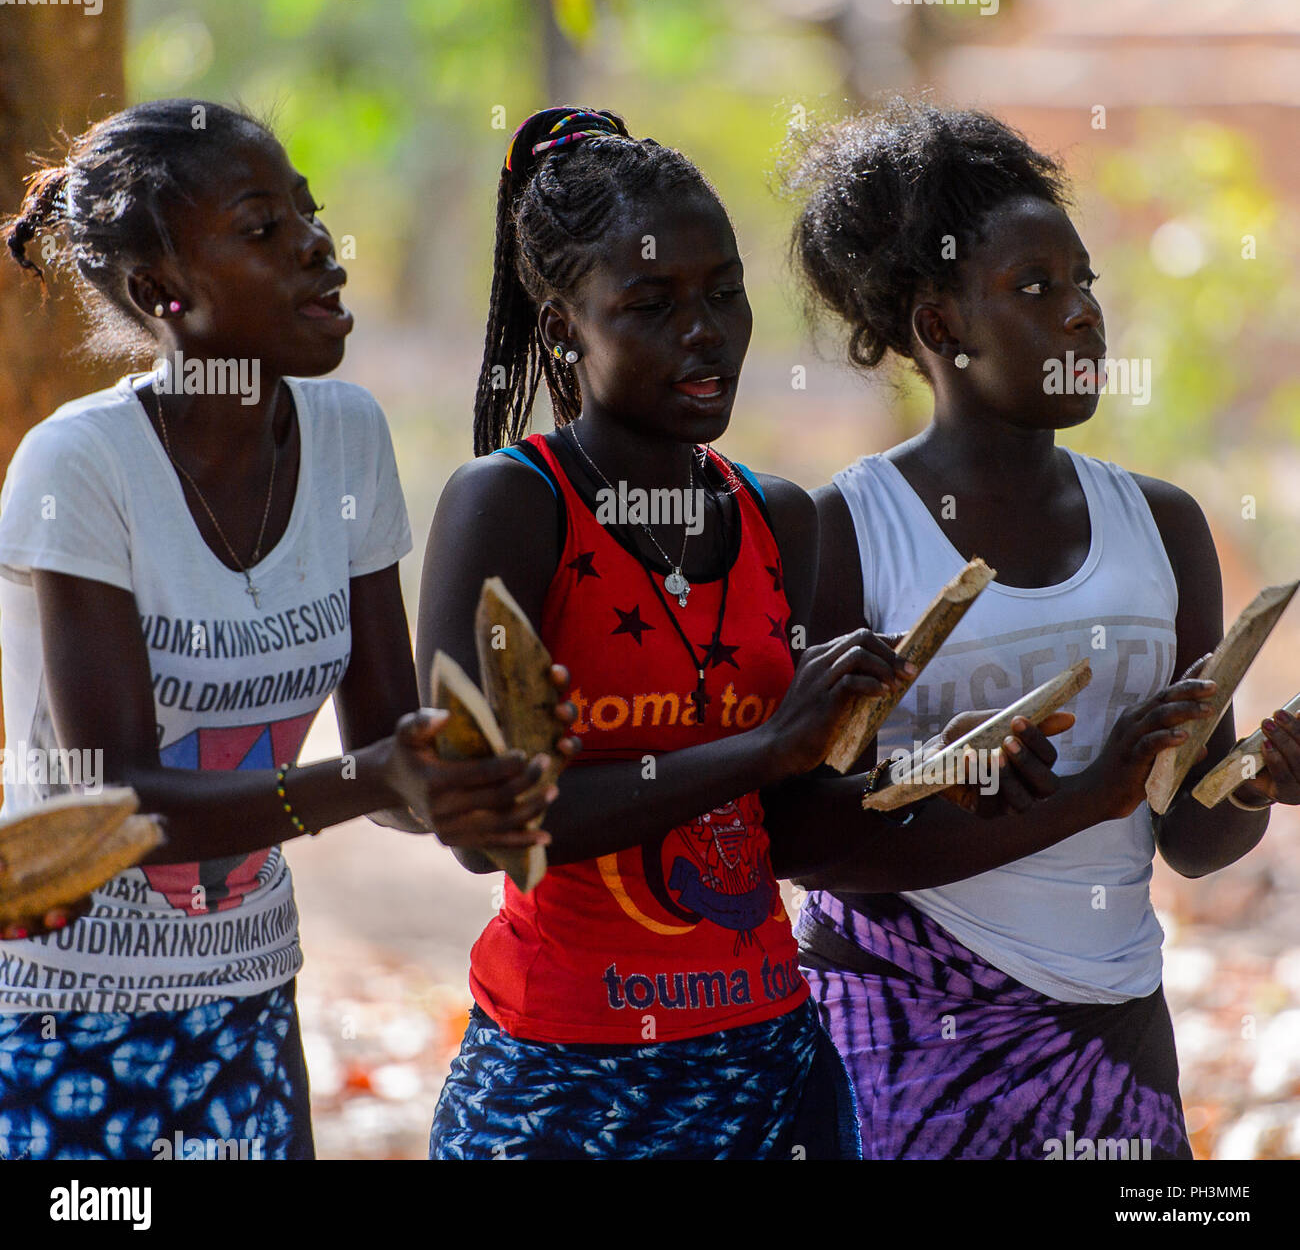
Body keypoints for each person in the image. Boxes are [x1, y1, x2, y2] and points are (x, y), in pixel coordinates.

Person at [416, 106, 1066, 1160]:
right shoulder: (512, 504)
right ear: (560, 331)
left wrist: (938, 774)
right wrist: (766, 744)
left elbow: (790, 828)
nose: (706, 332)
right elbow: (484, 825)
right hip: (569, 1075)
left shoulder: (778, 517)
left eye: (724, 290)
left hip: (768, 1058)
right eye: (652, 304)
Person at [0, 100, 563, 1161]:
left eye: (308, 213)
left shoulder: (348, 438)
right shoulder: (81, 467)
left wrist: (489, 765)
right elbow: (119, 796)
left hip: (248, 990)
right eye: (264, 229)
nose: (318, 246)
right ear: (161, 293)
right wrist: (377, 779)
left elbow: (396, 749)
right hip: (61, 1007)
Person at [781, 98, 1300, 1160]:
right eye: (1034, 288)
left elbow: (1190, 838)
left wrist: (1254, 777)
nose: (1081, 317)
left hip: (1111, 1035)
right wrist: (1071, 799)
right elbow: (805, 839)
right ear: (939, 326)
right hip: (902, 1039)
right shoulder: (846, 532)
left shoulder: (1159, 528)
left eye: (1083, 285)